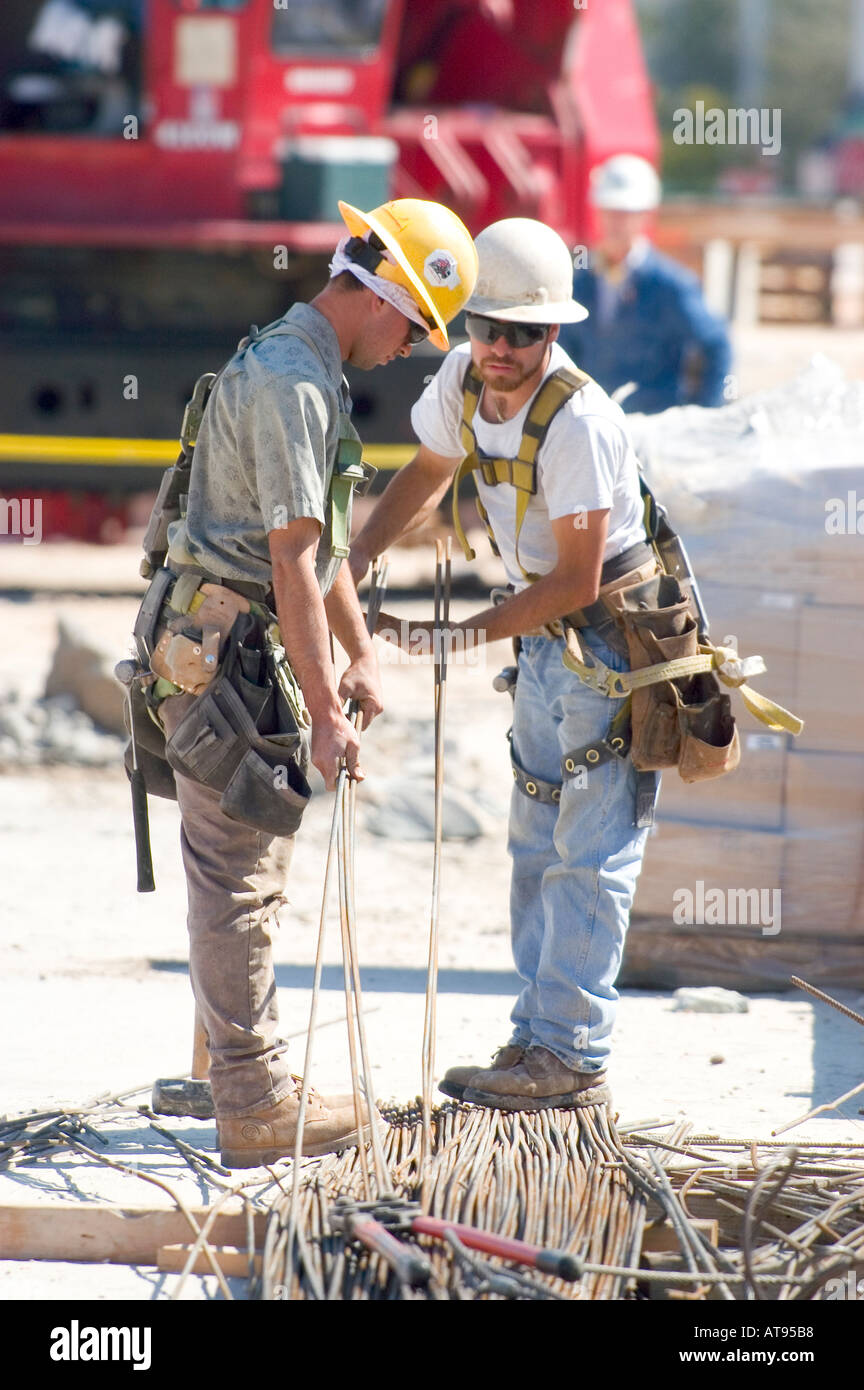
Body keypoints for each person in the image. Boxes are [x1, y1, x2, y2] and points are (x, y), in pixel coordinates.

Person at [137, 198, 478, 1165]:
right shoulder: (295, 384)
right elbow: (291, 557)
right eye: (414, 328)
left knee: (232, 864)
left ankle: (220, 1067)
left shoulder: (299, 360)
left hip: (223, 642)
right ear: (379, 298)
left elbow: (319, 545)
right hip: (224, 651)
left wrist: (358, 651)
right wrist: (327, 713)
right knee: (236, 878)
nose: (410, 349)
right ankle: (250, 1101)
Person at [349, 217, 658, 1111]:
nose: (502, 349)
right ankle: (536, 1039)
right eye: (488, 327)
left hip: (607, 641)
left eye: (523, 334)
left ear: (553, 333)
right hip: (543, 636)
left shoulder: (581, 424)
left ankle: (572, 1055)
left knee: (591, 852)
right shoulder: (461, 375)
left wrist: (454, 637)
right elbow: (430, 471)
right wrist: (357, 560)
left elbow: (577, 579)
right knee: (534, 841)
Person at [558, 154, 732, 414]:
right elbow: (564, 354)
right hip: (593, 424)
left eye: (625, 213)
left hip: (654, 430)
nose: (616, 222)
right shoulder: (581, 282)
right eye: (610, 211)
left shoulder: (670, 286)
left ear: (644, 216)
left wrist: (703, 416)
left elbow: (716, 344)